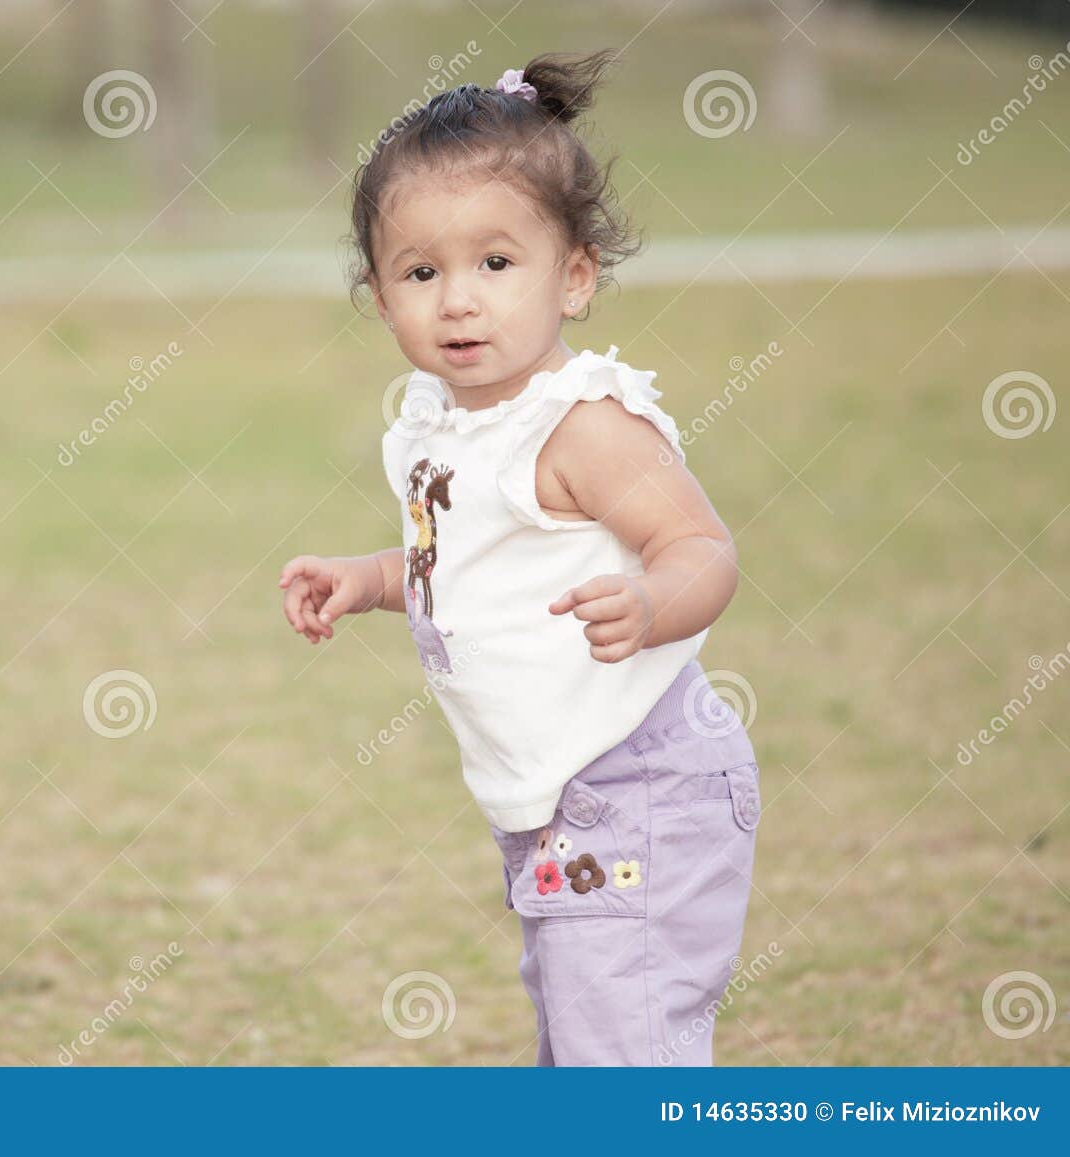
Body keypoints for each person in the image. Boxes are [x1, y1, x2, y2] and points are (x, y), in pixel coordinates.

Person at [277, 51, 762, 1066]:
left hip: (637, 784)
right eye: (422, 272)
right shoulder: (433, 426)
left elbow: (702, 547)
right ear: (379, 294)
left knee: (615, 1056)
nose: (458, 300)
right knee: (580, 1043)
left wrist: (652, 599)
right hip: (548, 804)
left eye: (495, 263)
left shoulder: (580, 423)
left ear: (573, 275)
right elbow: (455, 557)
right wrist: (366, 579)